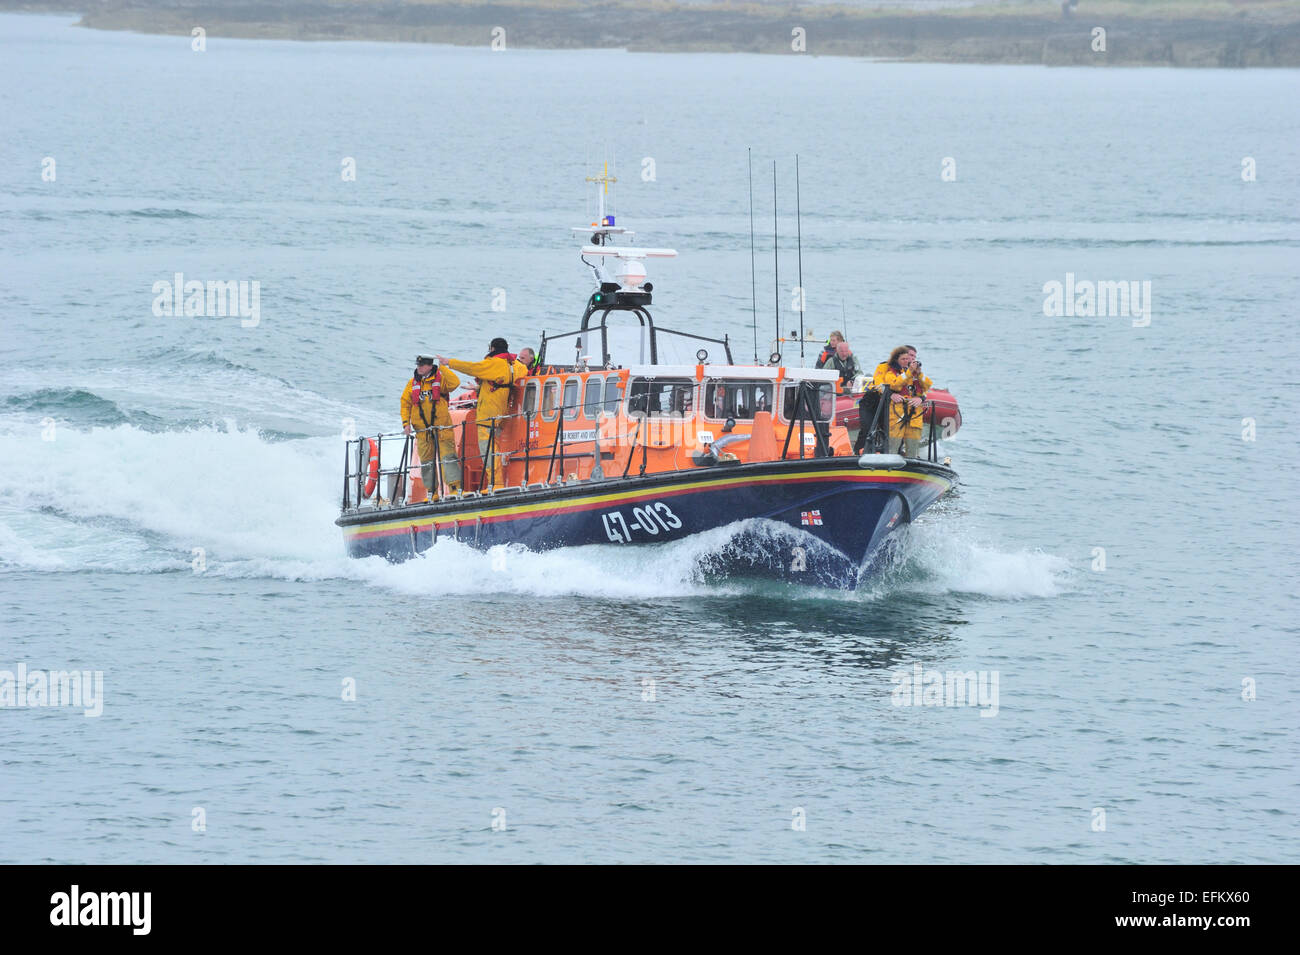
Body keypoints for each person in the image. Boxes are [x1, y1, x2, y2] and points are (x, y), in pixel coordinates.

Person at [438, 338, 527, 489]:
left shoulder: (494, 364)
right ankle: (496, 482)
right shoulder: (514, 365)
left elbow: (472, 367)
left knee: (488, 450)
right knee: (495, 447)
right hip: (501, 412)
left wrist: (449, 362)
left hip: (488, 414)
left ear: (492, 348)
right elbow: (519, 372)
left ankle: (496, 483)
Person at [401, 355, 462, 500]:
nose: (419, 368)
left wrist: (443, 368)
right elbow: (405, 403)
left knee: (448, 457)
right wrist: (406, 423)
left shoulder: (440, 380)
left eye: (422, 365)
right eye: (418, 365)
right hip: (422, 431)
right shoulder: (412, 383)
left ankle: (454, 489)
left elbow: (455, 383)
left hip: (442, 427)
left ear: (430, 366)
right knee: (427, 462)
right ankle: (431, 492)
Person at [878, 345, 932, 458]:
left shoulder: (915, 373)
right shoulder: (890, 370)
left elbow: (926, 386)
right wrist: (891, 394)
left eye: (913, 357)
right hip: (895, 410)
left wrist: (918, 374)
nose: (911, 360)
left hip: (914, 413)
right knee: (893, 444)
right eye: (908, 357)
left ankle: (910, 463)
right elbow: (892, 385)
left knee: (912, 447)